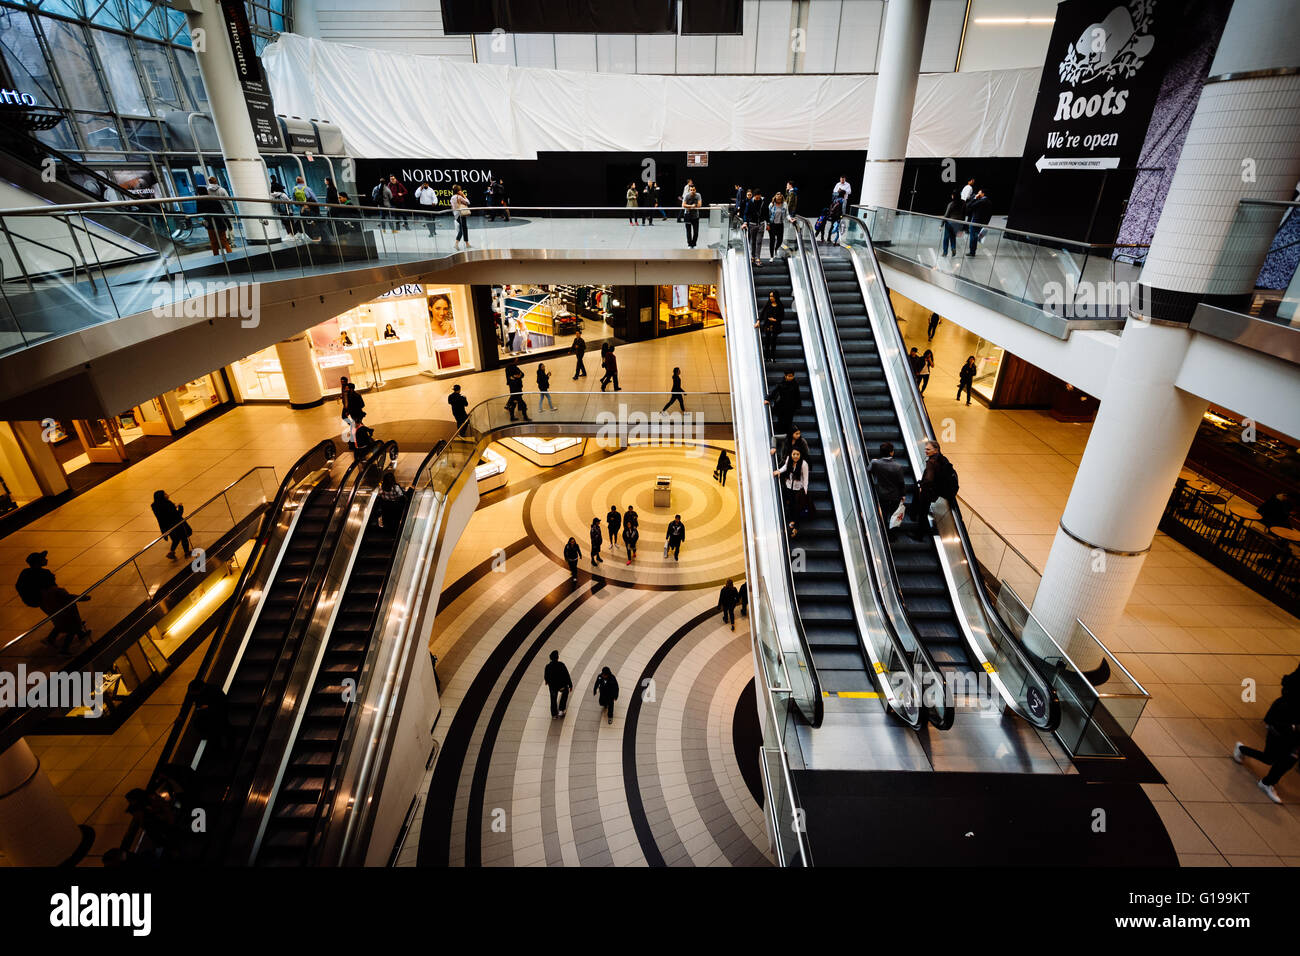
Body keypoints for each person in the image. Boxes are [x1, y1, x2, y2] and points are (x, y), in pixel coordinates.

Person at [1233, 667, 1300, 804]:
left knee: (1287, 761)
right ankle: (1241, 749)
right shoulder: (1283, 704)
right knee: (1269, 758)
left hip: (1293, 737)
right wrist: (1291, 728)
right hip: (1279, 733)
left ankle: (1267, 782)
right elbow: (1271, 720)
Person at [906, 440, 958, 538]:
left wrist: (922, 487)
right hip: (937, 490)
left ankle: (919, 535)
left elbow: (929, 479)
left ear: (935, 450)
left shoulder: (931, 462)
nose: (926, 451)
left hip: (929, 491)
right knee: (923, 508)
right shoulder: (943, 459)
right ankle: (915, 517)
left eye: (928, 449)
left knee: (923, 512)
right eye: (925, 449)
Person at [869, 442, 909, 533]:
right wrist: (903, 494)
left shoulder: (875, 463)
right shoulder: (897, 466)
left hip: (882, 494)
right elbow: (901, 482)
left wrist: (873, 461)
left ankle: (882, 531)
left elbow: (869, 469)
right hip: (895, 496)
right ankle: (892, 534)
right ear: (891, 452)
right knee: (893, 515)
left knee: (883, 514)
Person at [774, 447, 810, 537]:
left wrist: (805, 490)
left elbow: (806, 478)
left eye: (797, 454)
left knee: (797, 507)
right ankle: (792, 520)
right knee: (790, 505)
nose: (795, 456)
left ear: (800, 455)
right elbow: (785, 467)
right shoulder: (789, 460)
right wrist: (778, 471)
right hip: (789, 486)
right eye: (794, 454)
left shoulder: (804, 464)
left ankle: (796, 526)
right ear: (791, 454)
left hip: (798, 489)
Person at [195, 178, 232, 255]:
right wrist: (228, 224)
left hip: (210, 224)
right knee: (224, 241)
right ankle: (230, 255)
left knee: (214, 242)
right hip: (220, 223)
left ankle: (216, 257)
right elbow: (222, 213)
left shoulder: (199, 202)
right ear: (207, 192)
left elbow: (199, 212)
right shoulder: (215, 200)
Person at [151, 490, 192, 560]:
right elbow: (178, 515)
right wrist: (180, 507)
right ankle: (187, 553)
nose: (167, 494)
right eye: (165, 494)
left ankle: (172, 552)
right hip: (177, 525)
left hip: (167, 526)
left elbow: (165, 514)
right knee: (184, 537)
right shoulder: (168, 504)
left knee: (176, 539)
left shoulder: (155, 506)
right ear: (162, 497)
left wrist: (173, 507)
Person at [765, 370, 801, 436]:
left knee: (789, 422)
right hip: (781, 406)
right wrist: (767, 398)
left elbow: (797, 395)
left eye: (792, 376)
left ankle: (787, 435)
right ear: (785, 376)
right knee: (781, 421)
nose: (791, 377)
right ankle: (780, 434)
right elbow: (774, 391)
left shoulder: (795, 384)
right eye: (789, 376)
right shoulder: (781, 383)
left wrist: (798, 405)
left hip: (790, 407)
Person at [544, 650, 573, 719]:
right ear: (558, 658)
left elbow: (546, 676)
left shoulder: (547, 666)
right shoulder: (561, 665)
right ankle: (561, 710)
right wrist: (570, 684)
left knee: (553, 699)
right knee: (565, 693)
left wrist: (547, 681)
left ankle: (554, 714)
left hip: (553, 687)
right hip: (561, 686)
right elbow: (566, 675)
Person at [756, 291, 784, 358]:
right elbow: (762, 313)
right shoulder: (768, 304)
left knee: (773, 341)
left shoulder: (780, 305)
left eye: (772, 296)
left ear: (776, 297)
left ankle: (773, 357)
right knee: (767, 342)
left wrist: (775, 320)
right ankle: (767, 357)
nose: (771, 298)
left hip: (775, 326)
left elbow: (782, 316)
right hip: (768, 325)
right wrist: (758, 321)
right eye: (770, 296)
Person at [966, 190, 992, 255]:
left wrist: (975, 198)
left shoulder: (980, 201)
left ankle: (972, 251)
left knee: (973, 237)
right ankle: (973, 250)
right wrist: (986, 223)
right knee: (976, 236)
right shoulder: (989, 202)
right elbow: (990, 214)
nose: (978, 194)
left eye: (979, 193)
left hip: (975, 221)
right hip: (983, 223)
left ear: (983, 194)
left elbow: (969, 206)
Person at [744, 188, 764, 265]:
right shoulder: (750, 203)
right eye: (756, 197)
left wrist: (768, 223)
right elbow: (746, 213)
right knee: (753, 242)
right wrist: (745, 222)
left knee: (759, 242)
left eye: (759, 197)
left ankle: (757, 257)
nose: (758, 199)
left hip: (761, 224)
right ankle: (752, 256)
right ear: (754, 196)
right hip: (752, 224)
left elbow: (766, 212)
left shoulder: (763, 202)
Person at [766, 192, 787, 260]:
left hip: (780, 225)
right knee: (772, 241)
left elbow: (787, 214)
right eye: (777, 198)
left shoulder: (784, 205)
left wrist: (790, 219)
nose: (778, 199)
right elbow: (768, 215)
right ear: (775, 198)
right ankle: (771, 256)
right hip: (772, 225)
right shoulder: (771, 205)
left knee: (780, 240)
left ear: (781, 198)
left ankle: (776, 249)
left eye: (780, 198)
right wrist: (768, 224)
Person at [451, 184, 471, 249]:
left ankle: (467, 243)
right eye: (460, 190)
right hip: (461, 214)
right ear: (458, 191)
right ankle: (456, 244)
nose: (461, 191)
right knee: (462, 229)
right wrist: (463, 196)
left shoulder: (452, 197)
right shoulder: (459, 197)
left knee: (464, 228)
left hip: (456, 215)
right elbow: (468, 202)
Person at [682, 183, 702, 248]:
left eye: (693, 190)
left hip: (695, 216)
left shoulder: (698, 195)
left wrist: (695, 205)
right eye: (691, 190)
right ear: (689, 190)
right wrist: (691, 206)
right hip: (687, 215)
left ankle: (694, 244)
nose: (692, 191)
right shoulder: (687, 196)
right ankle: (689, 244)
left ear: (695, 190)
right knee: (688, 231)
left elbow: (699, 205)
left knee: (696, 232)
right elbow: (683, 205)